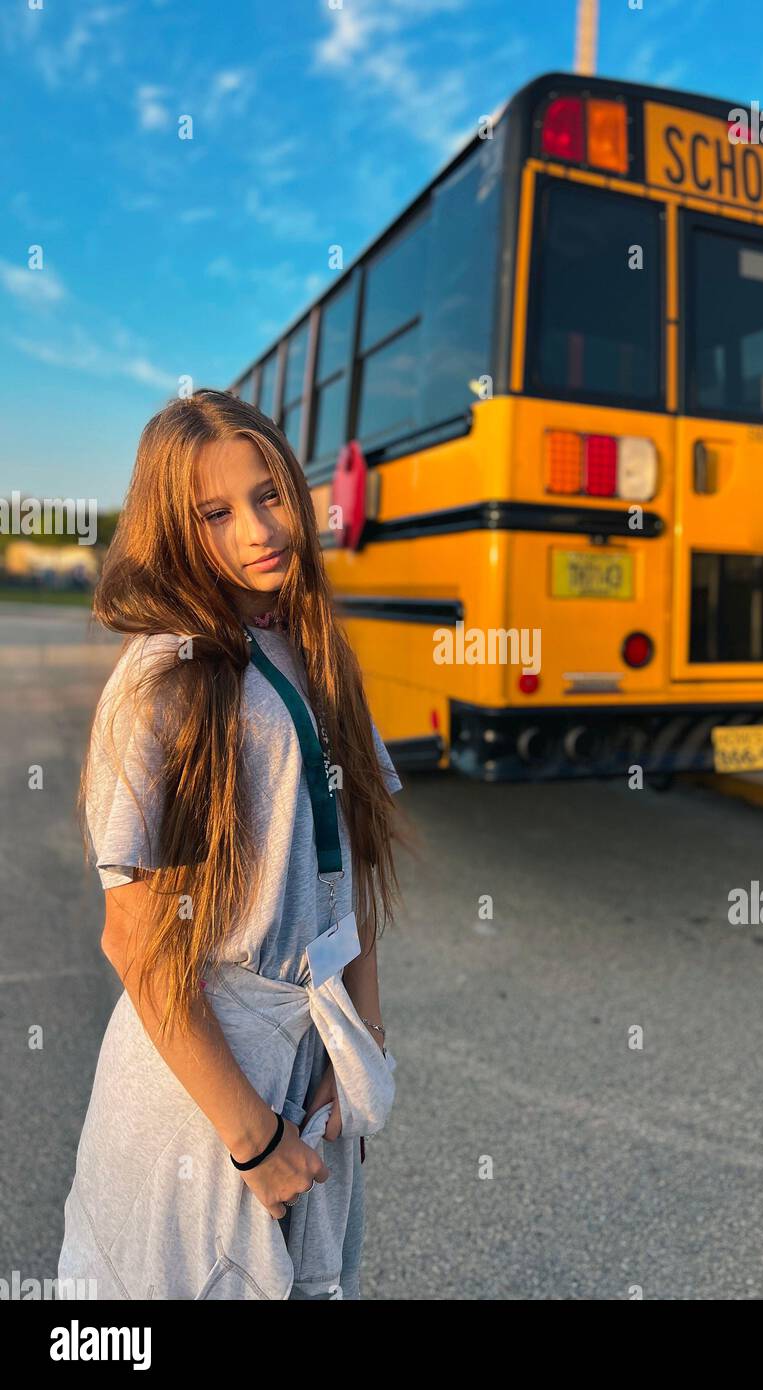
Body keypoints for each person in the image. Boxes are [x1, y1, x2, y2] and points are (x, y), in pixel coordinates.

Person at [58, 388, 407, 1300]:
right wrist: (252, 1141)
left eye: (270, 495)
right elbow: (137, 942)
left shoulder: (317, 649)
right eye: (215, 513)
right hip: (207, 1091)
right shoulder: (168, 682)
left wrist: (360, 1045)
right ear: (171, 527)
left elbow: (354, 872)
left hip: (315, 1059)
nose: (258, 529)